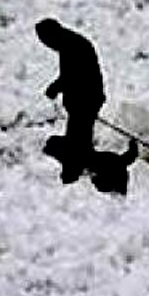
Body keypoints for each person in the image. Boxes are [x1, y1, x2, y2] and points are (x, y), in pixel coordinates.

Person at [36, 18, 106, 183]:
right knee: (81, 139)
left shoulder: (71, 46)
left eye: (46, 41)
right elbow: (70, 75)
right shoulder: (69, 43)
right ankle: (86, 169)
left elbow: (73, 76)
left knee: (77, 140)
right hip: (84, 100)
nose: (47, 46)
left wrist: (55, 88)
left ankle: (73, 174)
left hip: (86, 101)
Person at [43, 136, 139, 195]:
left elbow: (69, 177)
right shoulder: (74, 156)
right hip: (112, 170)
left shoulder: (73, 159)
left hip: (112, 175)